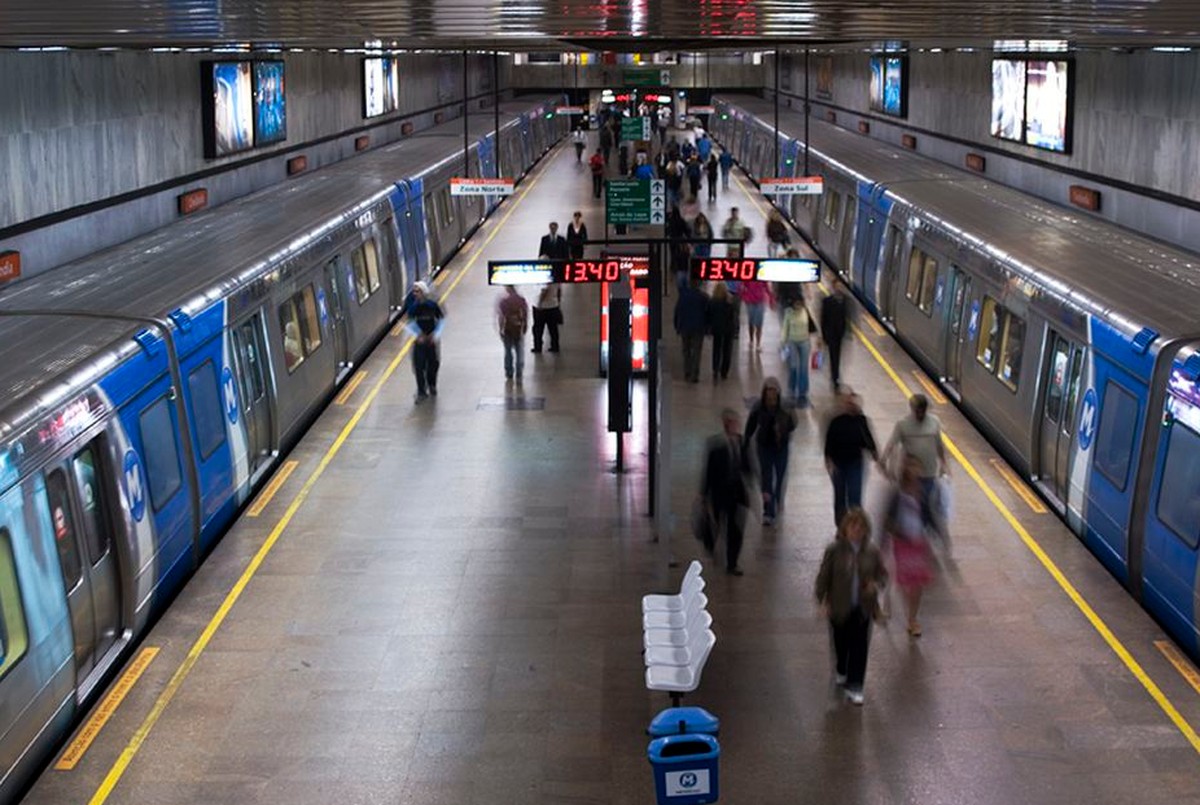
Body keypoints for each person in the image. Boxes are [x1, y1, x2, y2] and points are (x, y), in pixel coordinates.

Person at [815, 508, 888, 705]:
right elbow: (823, 577)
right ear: (845, 528)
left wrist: (875, 584)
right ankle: (841, 668)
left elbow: (882, 575)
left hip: (862, 608)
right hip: (839, 607)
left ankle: (856, 685)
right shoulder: (834, 550)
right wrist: (822, 600)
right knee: (841, 642)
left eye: (861, 527)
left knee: (860, 646)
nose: (856, 531)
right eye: (853, 526)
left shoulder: (872, 552)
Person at [879, 393, 949, 544]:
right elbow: (892, 444)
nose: (920, 414)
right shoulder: (903, 425)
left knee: (926, 504)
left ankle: (921, 533)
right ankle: (912, 533)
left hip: (929, 473)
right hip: (910, 475)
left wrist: (944, 463)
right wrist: (884, 460)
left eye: (923, 410)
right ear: (912, 409)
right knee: (910, 504)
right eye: (918, 411)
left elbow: (939, 444)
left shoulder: (934, 422)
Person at [882, 456, 937, 637]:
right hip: (902, 543)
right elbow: (887, 520)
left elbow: (928, 515)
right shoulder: (897, 493)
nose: (916, 471)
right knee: (907, 581)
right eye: (912, 467)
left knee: (918, 582)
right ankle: (909, 616)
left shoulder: (921, 491)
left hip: (918, 541)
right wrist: (886, 539)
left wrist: (935, 534)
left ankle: (912, 619)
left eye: (917, 468)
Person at [700, 408, 751, 576]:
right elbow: (708, 472)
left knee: (735, 530)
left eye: (736, 423)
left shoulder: (743, 443)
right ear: (725, 425)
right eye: (730, 423)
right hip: (719, 494)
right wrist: (703, 494)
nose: (734, 426)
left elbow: (748, 467)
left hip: (737, 494)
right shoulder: (716, 446)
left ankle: (732, 563)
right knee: (716, 525)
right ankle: (711, 546)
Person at [744, 377, 796, 526]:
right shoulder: (758, 407)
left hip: (781, 447)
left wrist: (783, 429)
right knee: (767, 478)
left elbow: (793, 424)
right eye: (769, 390)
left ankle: (777, 498)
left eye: (774, 390)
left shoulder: (785, 407)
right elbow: (750, 427)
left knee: (780, 477)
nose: (771, 394)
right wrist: (746, 442)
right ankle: (768, 511)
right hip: (764, 447)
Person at [824, 389, 879, 527]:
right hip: (839, 465)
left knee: (855, 497)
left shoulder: (861, 420)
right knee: (840, 498)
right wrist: (828, 461)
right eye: (848, 402)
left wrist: (874, 452)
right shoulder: (836, 422)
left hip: (855, 464)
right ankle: (841, 526)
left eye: (852, 402)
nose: (850, 404)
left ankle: (856, 526)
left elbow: (868, 439)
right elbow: (829, 442)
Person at [403, 281, 445, 401]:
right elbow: (410, 322)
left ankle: (432, 385)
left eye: (418, 291)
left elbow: (441, 320)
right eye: (414, 292)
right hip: (419, 341)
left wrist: (435, 334)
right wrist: (418, 335)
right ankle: (421, 390)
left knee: (433, 364)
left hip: (431, 341)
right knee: (419, 366)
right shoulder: (413, 307)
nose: (415, 294)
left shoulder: (432, 305)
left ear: (424, 292)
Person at [780, 295, 817, 406]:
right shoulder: (788, 313)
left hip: (805, 342)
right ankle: (791, 388)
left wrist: (817, 340)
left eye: (800, 303)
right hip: (792, 342)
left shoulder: (806, 311)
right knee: (794, 366)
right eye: (796, 304)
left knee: (804, 368)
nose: (798, 306)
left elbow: (812, 325)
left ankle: (803, 392)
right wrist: (783, 342)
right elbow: (785, 327)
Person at [674, 278, 709, 383]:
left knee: (686, 350)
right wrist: (707, 327)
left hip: (685, 327)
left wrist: (677, 326)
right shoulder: (703, 297)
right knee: (697, 351)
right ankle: (695, 374)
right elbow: (707, 313)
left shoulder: (683, 296)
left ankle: (687, 371)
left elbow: (677, 312)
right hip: (698, 327)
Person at [819, 280, 852, 390]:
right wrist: (823, 336)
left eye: (840, 286)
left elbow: (847, 317)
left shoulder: (846, 300)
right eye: (837, 286)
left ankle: (835, 376)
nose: (838, 288)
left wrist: (847, 332)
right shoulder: (827, 301)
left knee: (837, 356)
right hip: (830, 334)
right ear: (833, 287)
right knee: (834, 357)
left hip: (840, 334)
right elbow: (823, 319)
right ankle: (835, 378)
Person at [496, 285, 528, 381]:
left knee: (508, 351)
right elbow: (525, 314)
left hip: (508, 329)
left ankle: (509, 372)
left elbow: (502, 317)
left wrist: (501, 329)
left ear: (508, 289)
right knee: (519, 351)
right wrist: (525, 325)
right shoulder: (521, 300)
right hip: (518, 328)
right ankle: (519, 371)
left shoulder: (504, 302)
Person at [707, 281, 736, 381]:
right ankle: (724, 371)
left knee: (716, 349)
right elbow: (732, 317)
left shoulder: (712, 302)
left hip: (716, 329)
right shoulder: (728, 303)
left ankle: (715, 369)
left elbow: (708, 316)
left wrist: (708, 328)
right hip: (728, 329)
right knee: (726, 351)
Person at [739, 279, 774, 353]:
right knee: (751, 322)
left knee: (759, 324)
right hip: (750, 301)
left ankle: (758, 344)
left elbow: (767, 287)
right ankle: (751, 340)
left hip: (760, 302)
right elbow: (742, 286)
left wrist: (771, 299)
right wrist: (743, 296)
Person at [531, 283, 562, 353]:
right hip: (553, 306)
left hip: (542, 308)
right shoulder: (556, 279)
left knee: (538, 328)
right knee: (553, 329)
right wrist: (558, 302)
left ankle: (538, 347)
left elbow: (544, 291)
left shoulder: (545, 278)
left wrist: (539, 303)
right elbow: (559, 291)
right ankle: (555, 346)